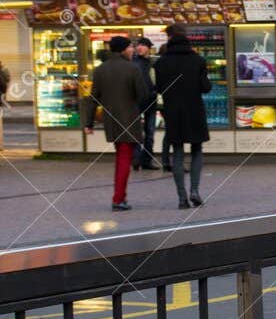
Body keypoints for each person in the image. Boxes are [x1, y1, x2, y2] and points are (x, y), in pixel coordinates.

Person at [81, 35, 151, 212]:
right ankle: (118, 199)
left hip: (110, 120)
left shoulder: (100, 70)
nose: (132, 50)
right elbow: (143, 95)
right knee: (124, 160)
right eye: (130, 47)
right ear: (122, 49)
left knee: (121, 156)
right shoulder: (132, 68)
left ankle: (121, 197)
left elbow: (93, 99)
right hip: (129, 119)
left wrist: (88, 123)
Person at [152, 25, 212, 208]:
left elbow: (159, 88)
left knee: (177, 151)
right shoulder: (198, 60)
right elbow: (206, 87)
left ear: (169, 39)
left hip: (173, 111)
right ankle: (195, 191)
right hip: (194, 110)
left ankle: (182, 197)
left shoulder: (161, 63)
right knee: (197, 149)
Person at [130, 37, 161, 169]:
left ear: (149, 48)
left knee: (150, 133)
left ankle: (146, 160)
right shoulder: (133, 63)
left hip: (151, 101)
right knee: (139, 132)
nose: (139, 48)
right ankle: (137, 159)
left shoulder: (153, 62)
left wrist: (155, 91)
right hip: (137, 102)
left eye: (143, 45)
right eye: (138, 45)